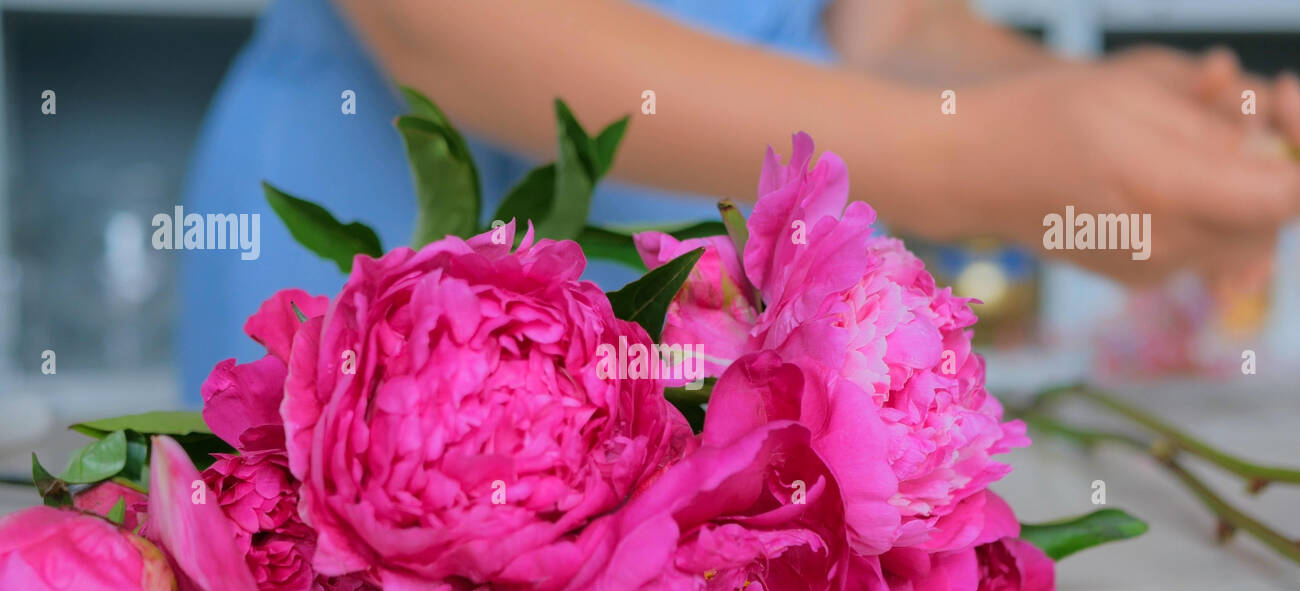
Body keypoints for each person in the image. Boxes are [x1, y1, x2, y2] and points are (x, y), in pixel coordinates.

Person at [179, 0, 1300, 399]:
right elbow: (446, 22)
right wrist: (986, 167)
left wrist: (1108, 117)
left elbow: (892, 28)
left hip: (726, 341)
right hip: (373, 261)